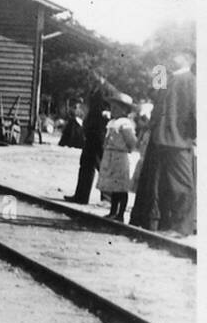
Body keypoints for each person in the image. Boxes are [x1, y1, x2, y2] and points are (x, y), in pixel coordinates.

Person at [133, 53, 196, 235]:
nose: (173, 56)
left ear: (188, 58)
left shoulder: (191, 81)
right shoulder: (169, 76)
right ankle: (158, 224)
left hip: (178, 140)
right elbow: (154, 95)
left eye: (178, 54)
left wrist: (191, 136)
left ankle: (181, 228)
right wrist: (158, 71)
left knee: (182, 184)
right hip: (160, 138)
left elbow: (196, 110)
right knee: (158, 183)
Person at [67, 76, 116, 203]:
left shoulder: (108, 90)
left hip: (100, 132)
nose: (92, 78)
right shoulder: (94, 90)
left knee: (102, 164)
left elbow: (112, 110)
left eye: (94, 75)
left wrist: (106, 117)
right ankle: (81, 196)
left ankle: (107, 197)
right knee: (86, 163)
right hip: (92, 132)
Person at [97, 93, 138, 221]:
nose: (113, 110)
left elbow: (131, 141)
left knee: (121, 186)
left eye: (116, 108)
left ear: (125, 110)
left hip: (120, 156)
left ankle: (120, 214)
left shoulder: (125, 123)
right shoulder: (112, 122)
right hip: (111, 155)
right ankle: (113, 211)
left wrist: (128, 149)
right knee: (113, 185)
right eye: (112, 107)